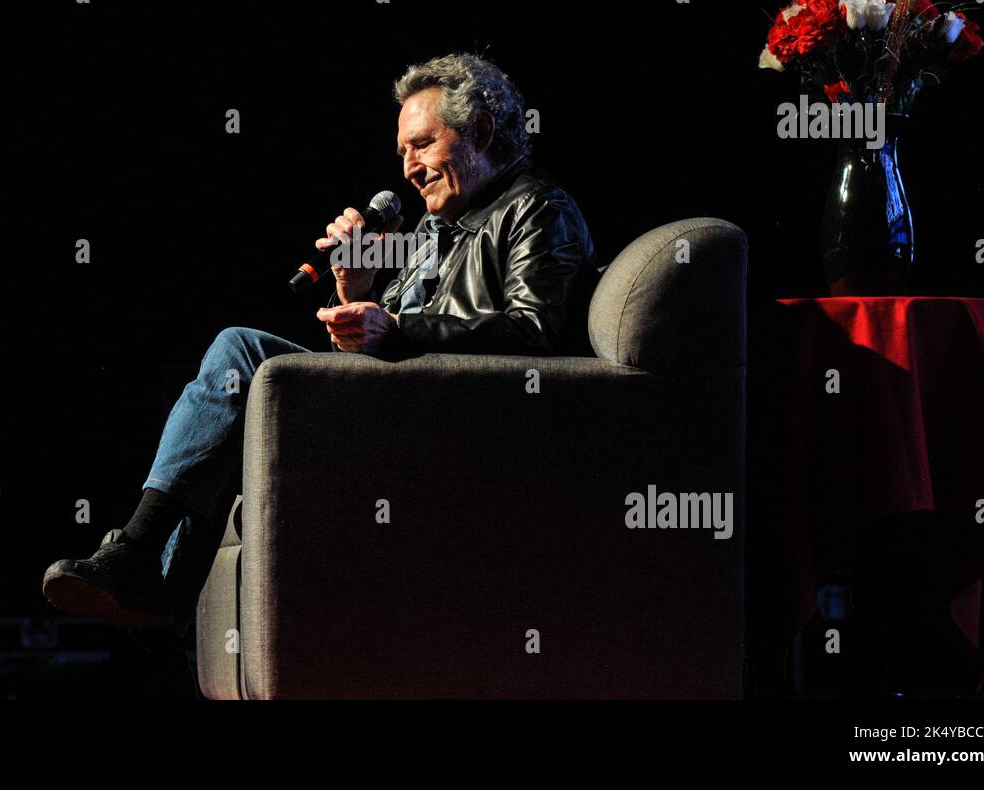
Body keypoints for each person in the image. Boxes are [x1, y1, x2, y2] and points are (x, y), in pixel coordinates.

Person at [41, 52, 598, 638]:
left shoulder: (537, 208)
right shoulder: (435, 232)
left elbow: (538, 332)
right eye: (403, 150)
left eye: (423, 144)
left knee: (243, 350)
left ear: (481, 132)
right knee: (240, 398)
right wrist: (353, 283)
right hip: (401, 407)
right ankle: (157, 587)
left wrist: (396, 329)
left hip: (452, 427)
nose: (408, 168)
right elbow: (372, 340)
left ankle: (140, 558)